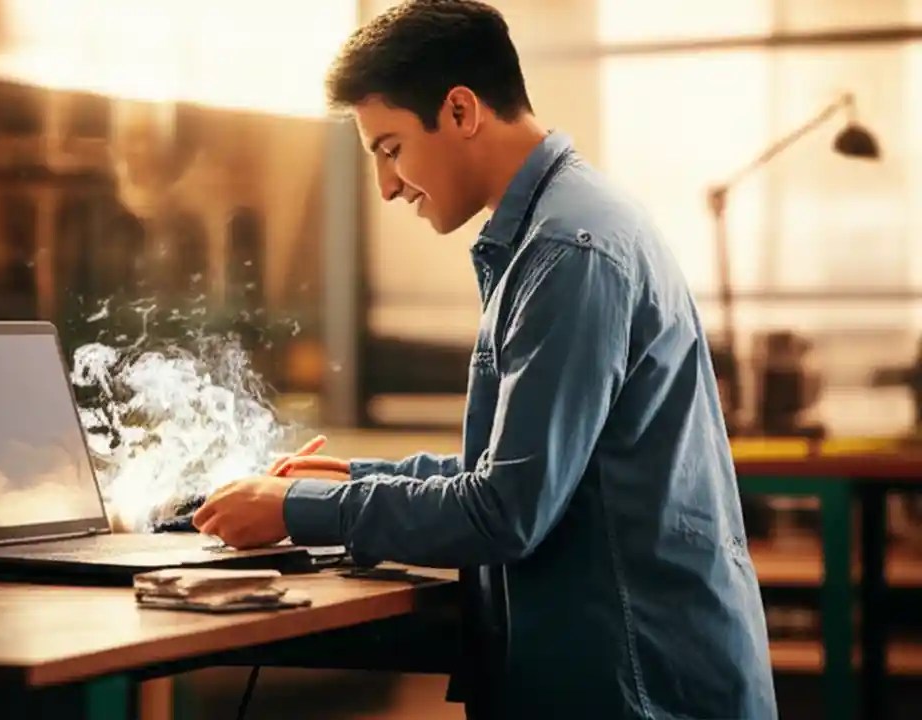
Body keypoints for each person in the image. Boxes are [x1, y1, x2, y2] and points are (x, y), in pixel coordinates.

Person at [192, 1, 778, 718]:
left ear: (462, 111)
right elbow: (526, 474)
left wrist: (301, 509)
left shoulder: (568, 253)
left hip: (641, 688)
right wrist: (351, 475)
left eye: (390, 148)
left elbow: (506, 511)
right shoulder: (556, 232)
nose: (387, 185)